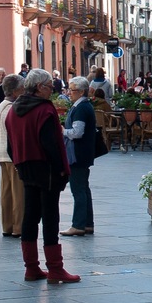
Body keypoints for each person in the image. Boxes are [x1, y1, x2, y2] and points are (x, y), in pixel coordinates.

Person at [4, 69, 80, 283]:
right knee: (50, 217)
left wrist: (19, 164)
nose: (52, 91)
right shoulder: (44, 110)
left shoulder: (14, 109)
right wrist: (61, 170)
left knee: (30, 216)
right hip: (46, 170)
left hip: (26, 168)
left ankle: (31, 268)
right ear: (39, 87)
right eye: (49, 86)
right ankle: (55, 269)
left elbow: (10, 145)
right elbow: (52, 145)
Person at [59, 76, 98, 237]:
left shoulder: (81, 108)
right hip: (82, 154)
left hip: (77, 155)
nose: (69, 93)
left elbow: (77, 132)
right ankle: (87, 223)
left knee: (78, 189)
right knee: (83, 188)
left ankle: (78, 225)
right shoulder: (82, 106)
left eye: (72, 90)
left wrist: (62, 131)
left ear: (81, 92)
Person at [0, 73, 25, 237]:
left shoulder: (2, 105)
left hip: (2, 152)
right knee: (17, 193)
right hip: (12, 155)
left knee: (6, 192)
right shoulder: (12, 107)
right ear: (15, 91)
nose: (24, 91)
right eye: (22, 88)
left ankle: (7, 225)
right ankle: (18, 227)